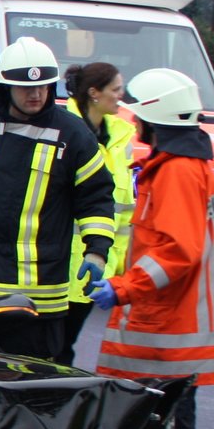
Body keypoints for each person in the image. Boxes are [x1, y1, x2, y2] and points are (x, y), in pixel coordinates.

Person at [90, 67, 214, 429]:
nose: (134, 121)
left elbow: (177, 252)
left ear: (155, 117)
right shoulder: (188, 165)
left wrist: (123, 288)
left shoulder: (176, 172)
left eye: (138, 113)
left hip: (168, 334)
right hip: (172, 330)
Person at [0, 36, 116, 359]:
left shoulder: (74, 136)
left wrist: (96, 251)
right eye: (26, 88)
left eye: (42, 86)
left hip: (39, 298)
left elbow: (96, 198)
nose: (35, 94)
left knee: (29, 381)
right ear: (5, 88)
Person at [58, 61, 134, 363]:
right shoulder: (64, 130)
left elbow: (124, 209)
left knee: (66, 343)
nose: (121, 95)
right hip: (56, 265)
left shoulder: (120, 137)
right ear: (94, 93)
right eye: (116, 89)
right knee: (52, 347)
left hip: (96, 262)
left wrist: (120, 265)